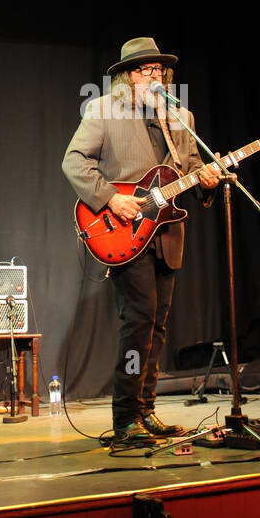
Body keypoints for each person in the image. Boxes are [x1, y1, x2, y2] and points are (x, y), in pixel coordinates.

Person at [63, 37, 220, 443]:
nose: (154, 76)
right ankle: (125, 419)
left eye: (158, 70)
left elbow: (192, 166)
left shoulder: (180, 117)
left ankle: (146, 411)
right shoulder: (104, 110)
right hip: (124, 229)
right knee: (138, 322)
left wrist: (207, 182)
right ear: (126, 77)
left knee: (158, 326)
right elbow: (73, 161)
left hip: (167, 232)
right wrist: (111, 198)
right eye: (144, 70)